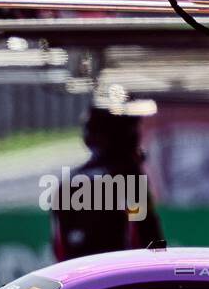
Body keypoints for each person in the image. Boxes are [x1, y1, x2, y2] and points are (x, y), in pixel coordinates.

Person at [50, 106, 165, 262]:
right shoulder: (129, 181)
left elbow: (60, 248)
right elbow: (150, 241)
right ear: (127, 135)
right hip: (121, 276)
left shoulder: (68, 182)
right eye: (135, 130)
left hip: (77, 278)